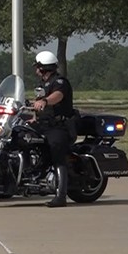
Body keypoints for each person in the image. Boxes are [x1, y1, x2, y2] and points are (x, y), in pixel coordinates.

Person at [31, 51, 76, 208]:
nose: (36, 70)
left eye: (37, 67)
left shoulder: (60, 82)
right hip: (43, 125)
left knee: (57, 152)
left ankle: (61, 195)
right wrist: (33, 119)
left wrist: (45, 100)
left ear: (43, 68)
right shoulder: (42, 85)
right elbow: (39, 107)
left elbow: (57, 96)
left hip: (59, 126)